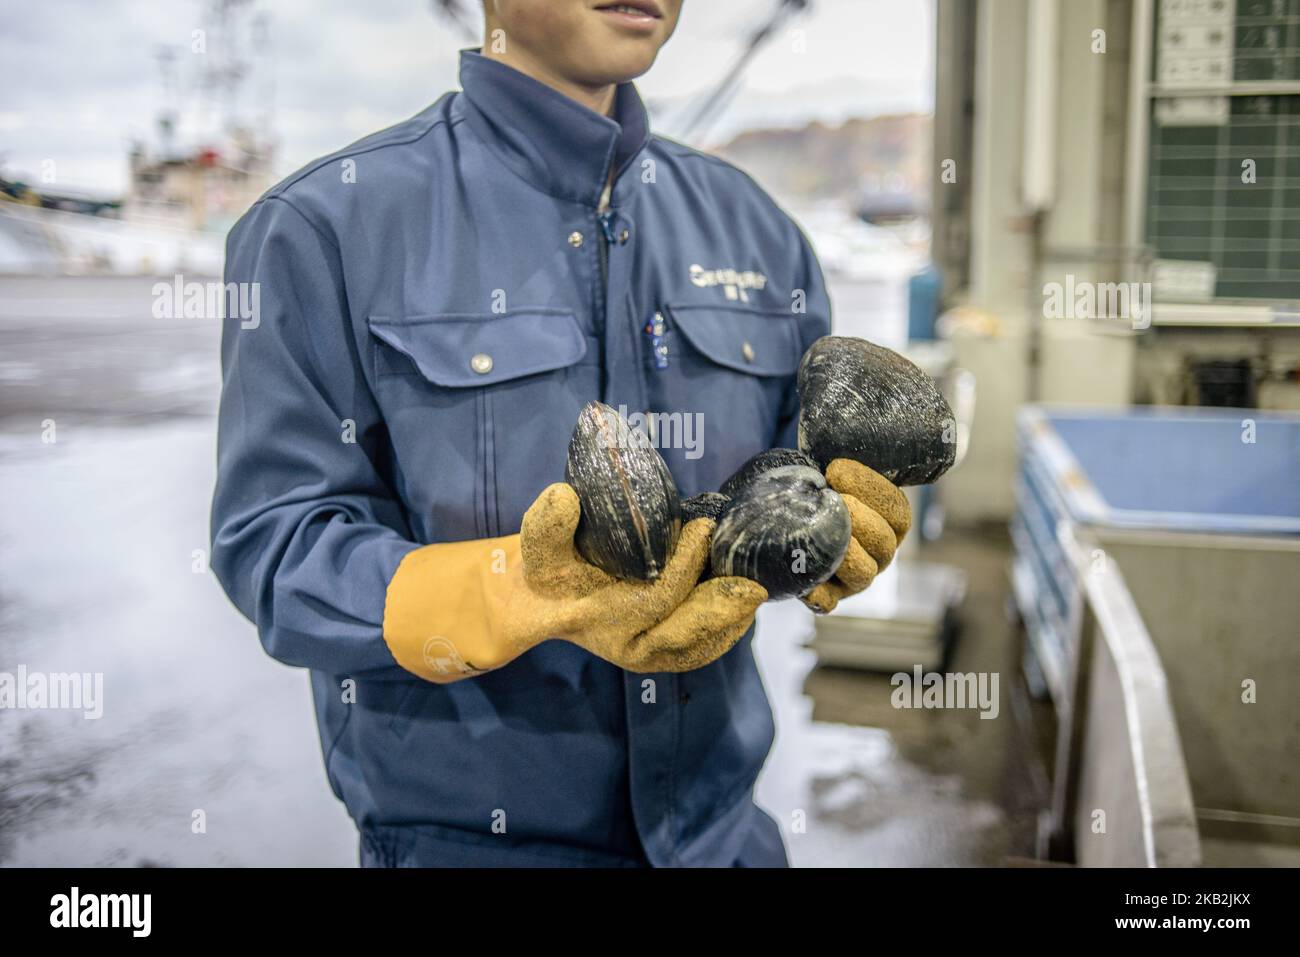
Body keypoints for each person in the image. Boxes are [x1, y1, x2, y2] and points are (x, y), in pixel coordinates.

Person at [210, 0, 910, 868]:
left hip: (727, 840)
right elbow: (274, 548)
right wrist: (512, 593)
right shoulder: (326, 228)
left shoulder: (757, 231)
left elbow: (792, 487)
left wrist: (827, 530)